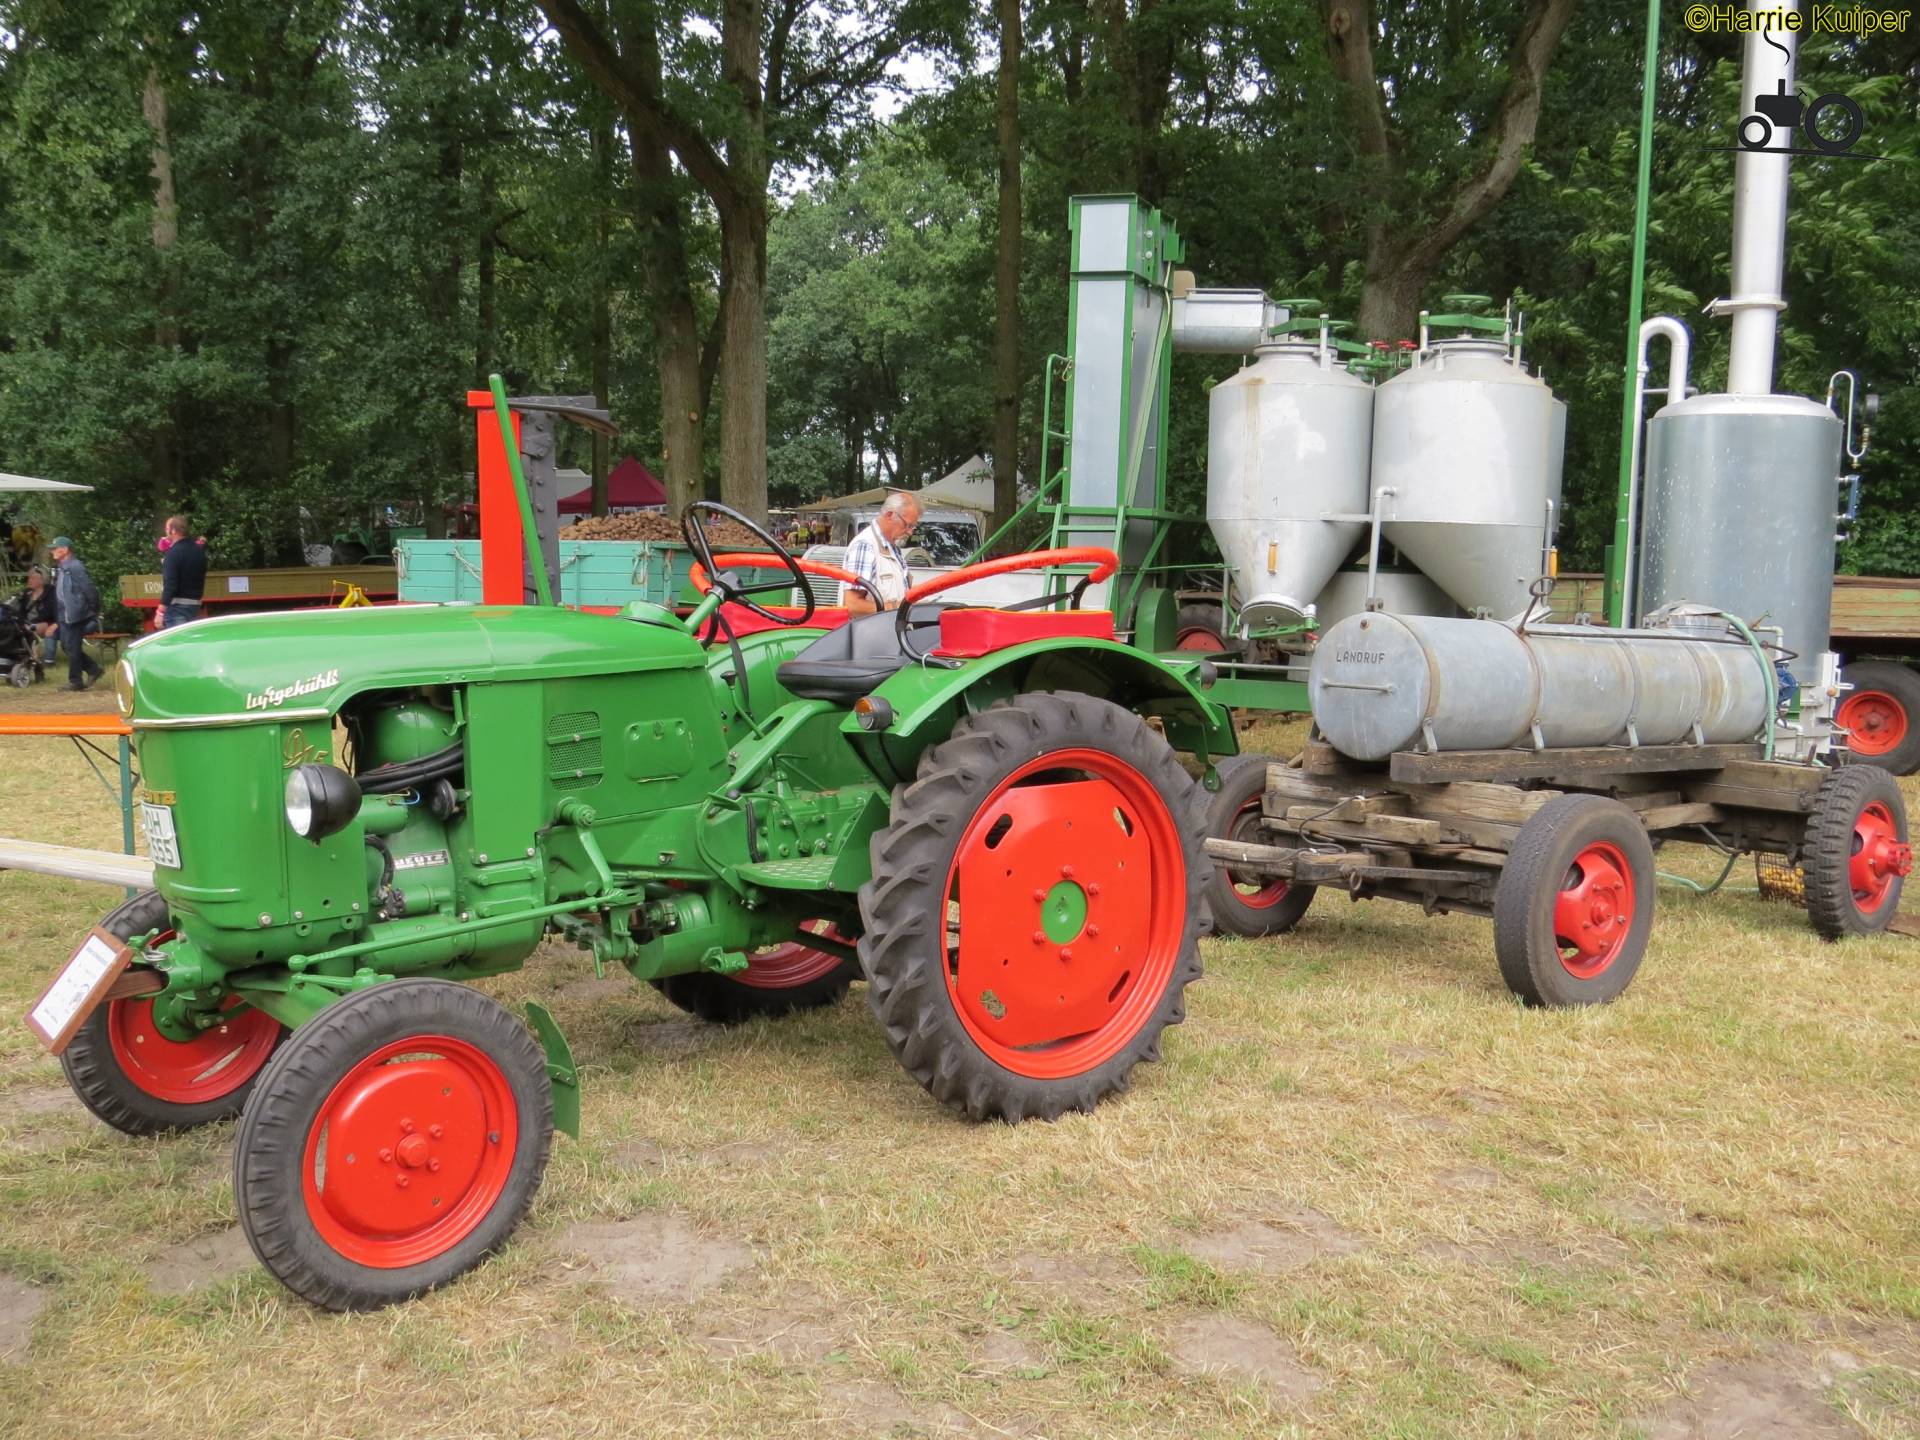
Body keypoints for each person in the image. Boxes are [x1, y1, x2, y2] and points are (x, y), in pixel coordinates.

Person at [841, 491, 921, 617]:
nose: (910, 532)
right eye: (907, 525)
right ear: (889, 515)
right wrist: (897, 607)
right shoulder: (865, 545)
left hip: (887, 632)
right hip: (872, 634)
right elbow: (853, 606)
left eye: (913, 527)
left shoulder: (892, 547)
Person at [48, 535, 102, 691]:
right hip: (65, 614)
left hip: (75, 613)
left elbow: (88, 589)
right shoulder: (63, 566)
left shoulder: (75, 566)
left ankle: (75, 681)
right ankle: (93, 669)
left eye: (54, 548)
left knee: (71, 646)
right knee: (67, 646)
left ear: (64, 550)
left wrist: (93, 608)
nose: (52, 551)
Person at [156, 515, 207, 628]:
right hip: (194, 605)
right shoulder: (199, 551)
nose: (165, 532)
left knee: (179, 643)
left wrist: (160, 612)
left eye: (167, 529)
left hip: (176, 607)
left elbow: (170, 584)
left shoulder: (172, 553)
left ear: (173, 531)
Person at [16, 566, 57, 664]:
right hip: (27, 622)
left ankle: (34, 658)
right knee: (14, 628)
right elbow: (21, 612)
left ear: (41, 580)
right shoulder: (26, 593)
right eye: (29, 578)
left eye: (32, 578)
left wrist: (30, 623)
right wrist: (21, 621)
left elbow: (49, 613)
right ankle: (16, 655)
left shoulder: (51, 593)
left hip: (47, 622)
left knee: (30, 629)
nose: (29, 580)